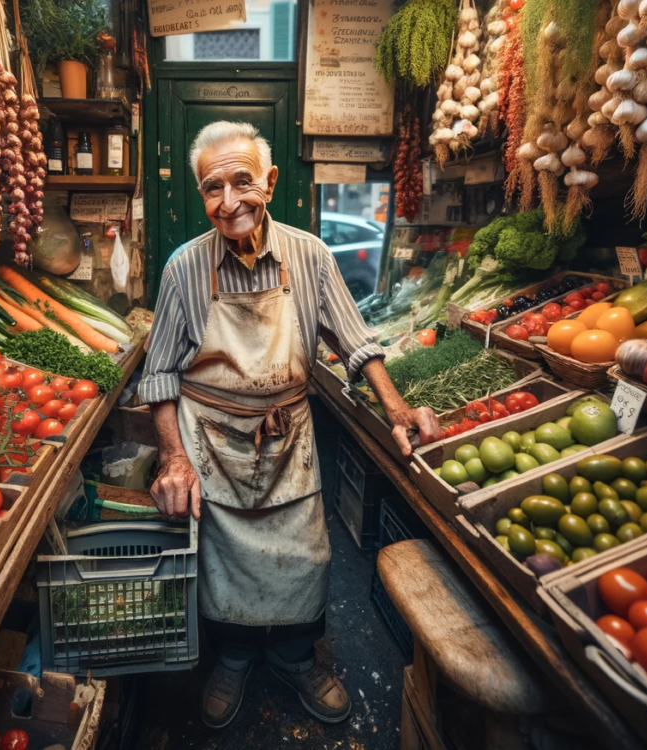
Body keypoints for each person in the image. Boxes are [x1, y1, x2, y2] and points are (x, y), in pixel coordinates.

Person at [138, 121, 437, 729]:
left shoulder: (310, 255)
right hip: (212, 442)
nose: (228, 203)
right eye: (212, 188)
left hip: (287, 439)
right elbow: (160, 375)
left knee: (304, 558)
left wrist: (396, 407)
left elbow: (355, 343)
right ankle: (236, 657)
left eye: (243, 182)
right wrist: (173, 458)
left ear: (270, 182)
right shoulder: (183, 268)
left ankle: (298, 658)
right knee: (222, 564)